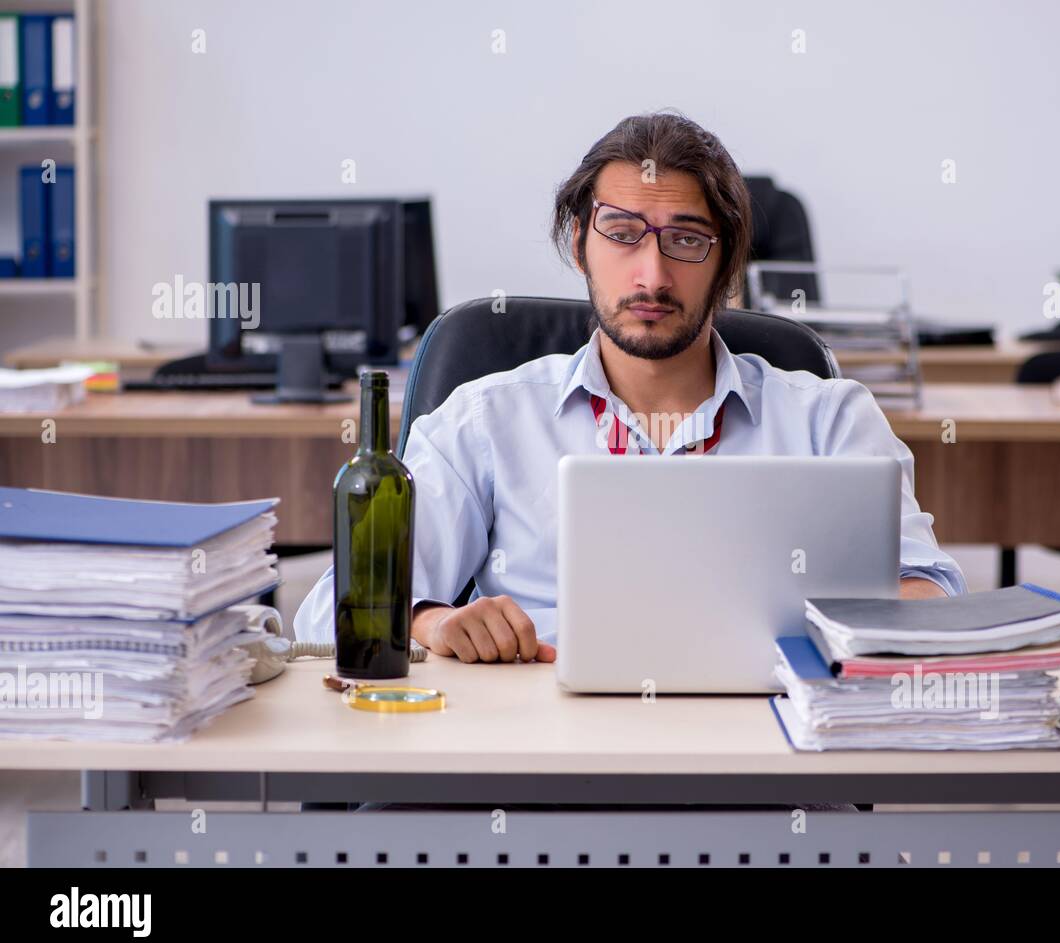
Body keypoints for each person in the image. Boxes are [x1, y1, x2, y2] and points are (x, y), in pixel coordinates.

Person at [293, 111, 966, 664]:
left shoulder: (829, 418)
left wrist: (840, 631)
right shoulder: (488, 420)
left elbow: (934, 597)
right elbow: (328, 614)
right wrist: (433, 621)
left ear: (727, 263)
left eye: (686, 239)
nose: (651, 275)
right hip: (538, 774)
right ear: (580, 242)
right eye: (621, 233)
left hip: (767, 768)